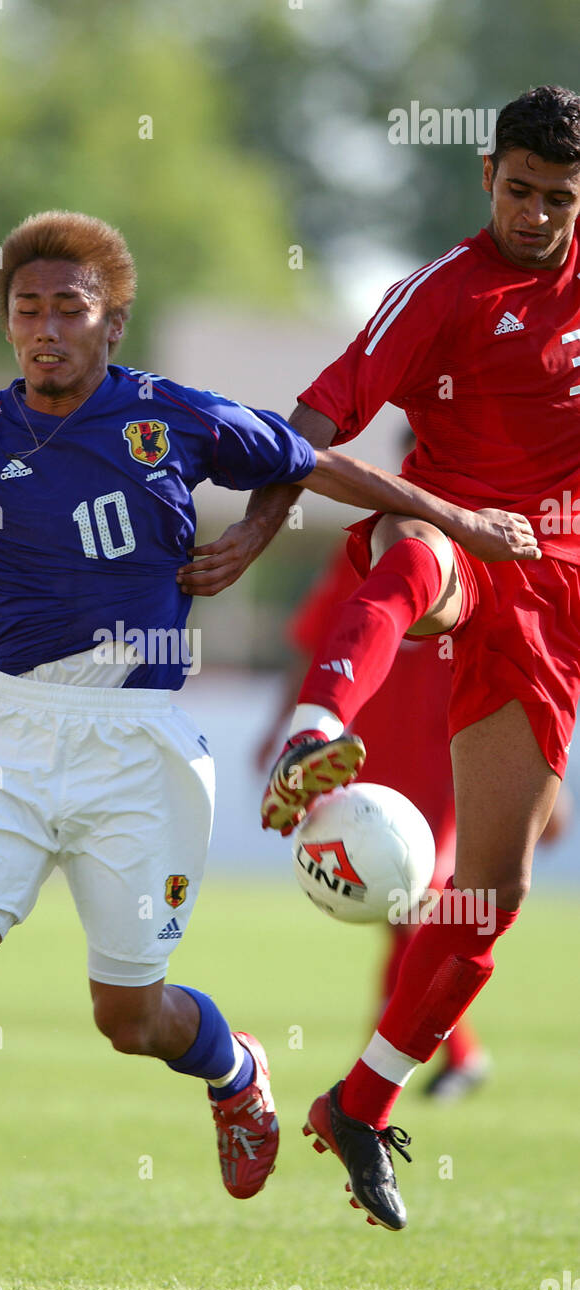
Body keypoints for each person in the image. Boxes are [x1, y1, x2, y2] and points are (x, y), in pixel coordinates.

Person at [0, 211, 536, 1290]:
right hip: (6, 734)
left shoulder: (170, 419)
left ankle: (234, 1068)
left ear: (111, 321)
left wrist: (451, 522)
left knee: (127, 1015)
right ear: (6, 323)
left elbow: (313, 461)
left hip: (139, 747)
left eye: (69, 309)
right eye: (26, 310)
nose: (45, 328)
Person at [251, 85, 580, 1231]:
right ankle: (313, 725)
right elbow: (306, 422)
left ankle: (360, 1099)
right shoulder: (441, 292)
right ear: (483, 174)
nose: (534, 214)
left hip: (553, 602)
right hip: (456, 540)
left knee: (489, 896)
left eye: (557, 198)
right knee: (413, 557)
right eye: (518, 189)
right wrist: (257, 520)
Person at [255, 533, 492, 1101]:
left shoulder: (483, 551)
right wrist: (281, 730)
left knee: (417, 906)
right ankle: (442, 1054)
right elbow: (319, 639)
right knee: (401, 908)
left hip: (447, 756)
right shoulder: (368, 548)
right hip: (373, 754)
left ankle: (413, 1059)